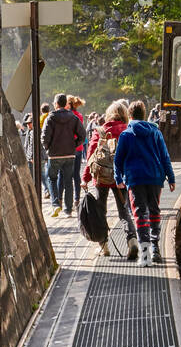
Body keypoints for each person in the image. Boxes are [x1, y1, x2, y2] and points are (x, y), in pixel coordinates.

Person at [114, 100, 175, 265]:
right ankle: (156, 248)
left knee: (140, 214)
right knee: (154, 211)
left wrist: (118, 178)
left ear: (130, 115)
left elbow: (118, 160)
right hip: (155, 177)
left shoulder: (126, 135)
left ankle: (146, 254)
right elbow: (164, 157)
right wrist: (171, 177)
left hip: (135, 179)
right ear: (144, 113)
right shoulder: (156, 133)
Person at [83, 101, 139, 261]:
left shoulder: (100, 131)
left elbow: (91, 157)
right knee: (124, 211)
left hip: (101, 178)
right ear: (124, 114)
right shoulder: (128, 131)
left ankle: (104, 246)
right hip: (121, 177)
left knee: (101, 211)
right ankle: (132, 241)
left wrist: (85, 178)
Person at [41, 93, 86, 219]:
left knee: (52, 178)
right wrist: (73, 145)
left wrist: (48, 148)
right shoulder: (73, 118)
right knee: (68, 181)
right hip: (70, 154)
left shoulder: (50, 118)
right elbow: (82, 135)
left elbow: (44, 137)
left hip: (54, 155)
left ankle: (55, 204)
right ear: (66, 103)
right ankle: (68, 210)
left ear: (56, 104)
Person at [67, 95, 86, 212]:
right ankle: (77, 199)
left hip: (68, 148)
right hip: (78, 148)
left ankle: (66, 202)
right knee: (76, 175)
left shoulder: (68, 116)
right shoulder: (79, 116)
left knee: (66, 175)